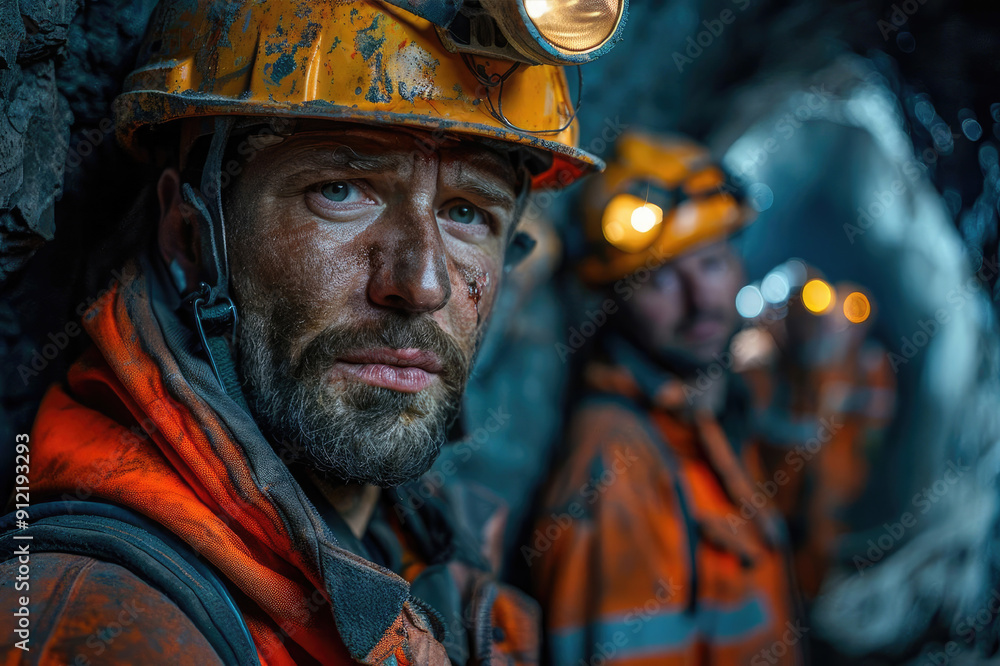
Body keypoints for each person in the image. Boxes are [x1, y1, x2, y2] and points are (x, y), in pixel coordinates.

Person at [0, 1, 617, 663]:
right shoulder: (102, 622)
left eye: (467, 212)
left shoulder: (417, 547)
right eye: (341, 190)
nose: (422, 285)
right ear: (189, 233)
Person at [529, 131, 804, 665]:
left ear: (739, 264)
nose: (700, 301)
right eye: (659, 280)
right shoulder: (617, 465)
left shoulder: (711, 419)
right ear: (615, 301)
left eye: (711, 264)